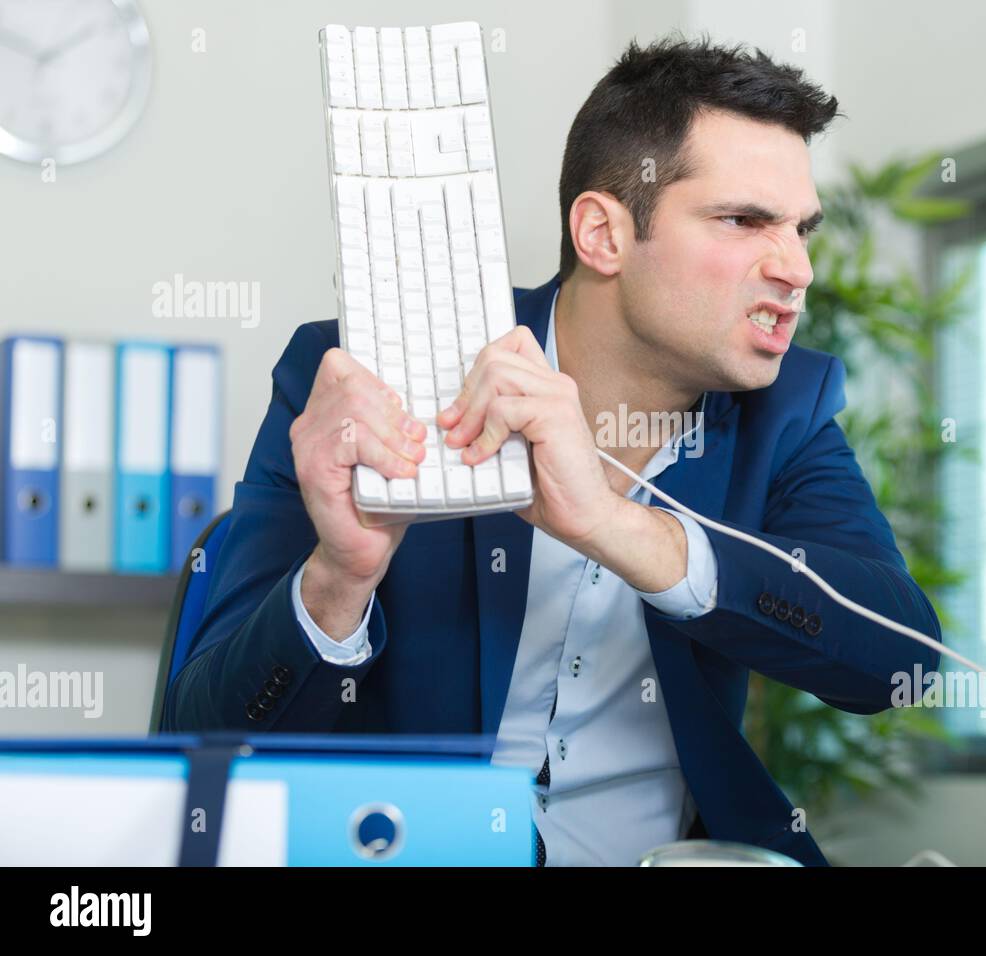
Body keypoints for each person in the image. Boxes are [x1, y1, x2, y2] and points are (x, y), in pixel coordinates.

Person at [163, 34, 942, 867]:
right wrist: (337, 580)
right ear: (603, 234)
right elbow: (200, 744)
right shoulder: (360, 382)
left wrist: (616, 527)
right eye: (744, 220)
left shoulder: (786, 411)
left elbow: (899, 658)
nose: (796, 268)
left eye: (801, 229)